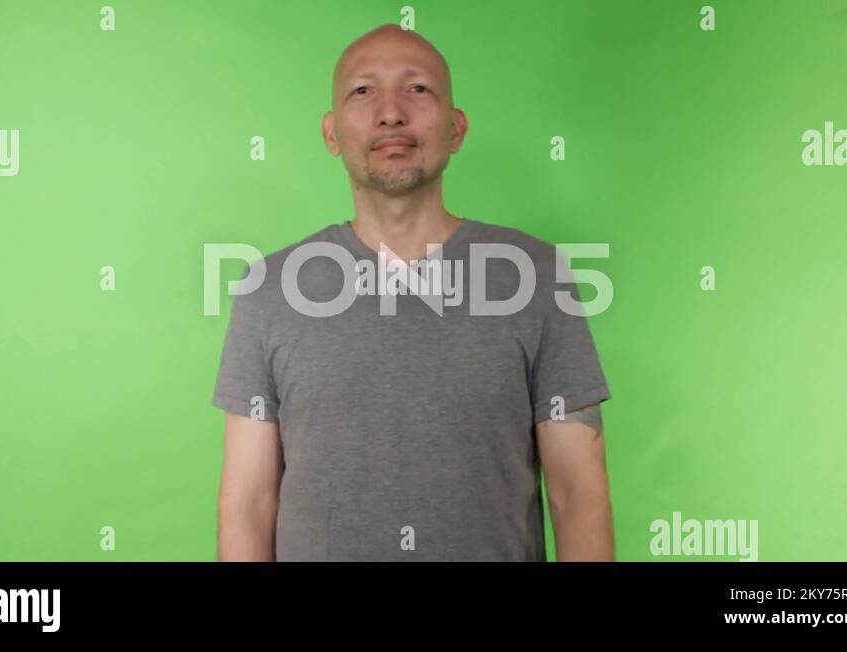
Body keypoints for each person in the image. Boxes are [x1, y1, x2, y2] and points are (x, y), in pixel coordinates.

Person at [213, 23, 614, 561]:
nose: (391, 112)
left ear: (456, 128)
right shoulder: (268, 289)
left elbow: (578, 497)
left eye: (417, 88)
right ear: (331, 134)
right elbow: (248, 504)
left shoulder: (539, 276)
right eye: (363, 91)